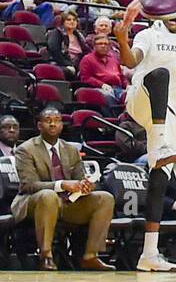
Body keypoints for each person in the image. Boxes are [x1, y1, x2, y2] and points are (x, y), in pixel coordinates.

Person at [116, 4, 176, 272]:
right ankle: (158, 145)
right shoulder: (149, 35)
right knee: (161, 74)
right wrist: (122, 39)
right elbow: (131, 61)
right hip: (141, 98)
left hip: (168, 110)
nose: (172, 16)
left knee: (159, 181)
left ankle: (149, 253)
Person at [12, 106, 115, 270]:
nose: (53, 124)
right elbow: (28, 185)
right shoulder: (26, 149)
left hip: (67, 203)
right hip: (34, 202)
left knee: (105, 198)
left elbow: (80, 178)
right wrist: (61, 185)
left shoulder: (71, 150)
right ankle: (46, 255)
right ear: (39, 125)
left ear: (62, 125)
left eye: (57, 121)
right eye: (48, 121)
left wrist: (86, 185)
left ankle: (90, 256)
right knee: (48, 196)